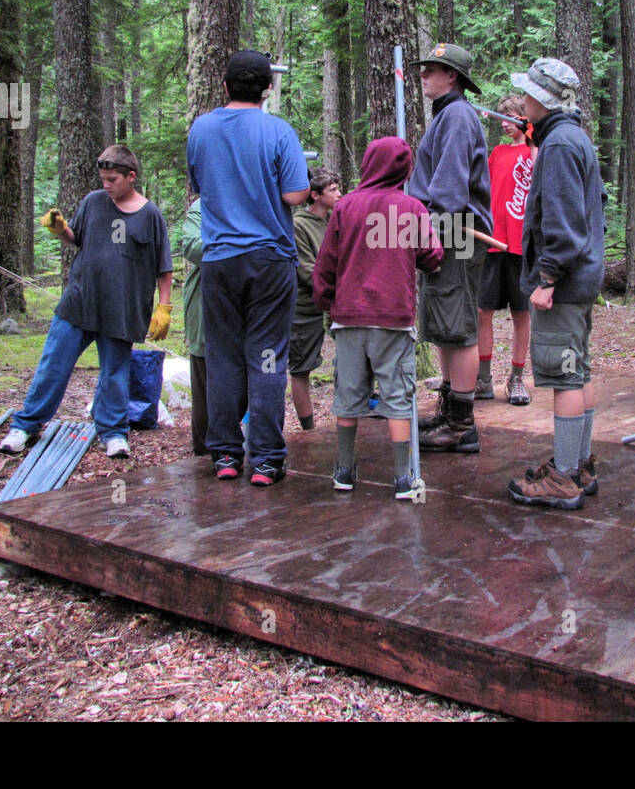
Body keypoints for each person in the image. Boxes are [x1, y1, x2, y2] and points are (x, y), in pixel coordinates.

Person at [0, 145, 172, 460]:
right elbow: (76, 237)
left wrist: (164, 307)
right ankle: (26, 425)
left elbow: (164, 266)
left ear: (130, 177)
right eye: (103, 179)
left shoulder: (151, 215)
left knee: (114, 375)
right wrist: (60, 229)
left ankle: (114, 434)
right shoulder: (93, 202)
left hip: (123, 309)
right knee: (53, 363)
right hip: (80, 301)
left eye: (112, 179)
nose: (106, 185)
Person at [186, 50, 309, 486]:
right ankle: (266, 460)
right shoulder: (278, 131)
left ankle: (224, 456)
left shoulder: (201, 128)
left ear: (225, 86)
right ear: (267, 88)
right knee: (267, 357)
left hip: (219, 259)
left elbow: (200, 187)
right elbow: (295, 195)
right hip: (271, 259)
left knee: (223, 358)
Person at [312, 137, 443, 499]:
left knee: (348, 392)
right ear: (404, 169)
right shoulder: (412, 208)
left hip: (350, 317)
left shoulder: (346, 207)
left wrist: (324, 299)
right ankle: (403, 478)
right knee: (398, 394)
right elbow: (431, 255)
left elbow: (328, 260)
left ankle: (344, 471)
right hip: (394, 317)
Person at [504, 59, 606, 510]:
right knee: (577, 368)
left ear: (542, 100)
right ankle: (578, 465)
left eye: (528, 95)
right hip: (580, 277)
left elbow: (564, 223)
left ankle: (564, 478)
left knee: (564, 375)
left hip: (564, 281)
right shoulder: (572, 137)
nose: (523, 102)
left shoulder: (561, 145)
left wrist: (547, 278)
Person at [407, 43, 492, 453]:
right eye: (423, 70)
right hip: (446, 227)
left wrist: (431, 232)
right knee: (444, 321)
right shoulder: (447, 114)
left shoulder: (457, 115)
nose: (424, 75)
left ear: (452, 76)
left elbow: (450, 186)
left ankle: (462, 424)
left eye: (433, 69)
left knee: (457, 323)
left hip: (456, 229)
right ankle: (449, 410)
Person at [476, 95, 535, 406]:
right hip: (493, 242)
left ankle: (516, 378)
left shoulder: (535, 151)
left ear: (524, 118)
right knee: (483, 310)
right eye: (501, 117)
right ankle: (483, 377)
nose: (504, 123)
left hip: (522, 246)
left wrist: (531, 136)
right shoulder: (496, 153)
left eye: (510, 116)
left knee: (521, 312)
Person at [289, 168, 341, 431]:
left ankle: (351, 413)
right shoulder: (299, 225)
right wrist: (340, 285)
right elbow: (307, 270)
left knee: (350, 358)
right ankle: (307, 428)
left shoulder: (335, 218)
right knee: (301, 368)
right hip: (305, 307)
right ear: (315, 195)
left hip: (336, 305)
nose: (339, 194)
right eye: (333, 190)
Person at [180, 195, 208, 460]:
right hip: (205, 302)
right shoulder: (201, 207)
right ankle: (204, 449)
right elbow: (192, 246)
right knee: (204, 376)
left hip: (246, 307)